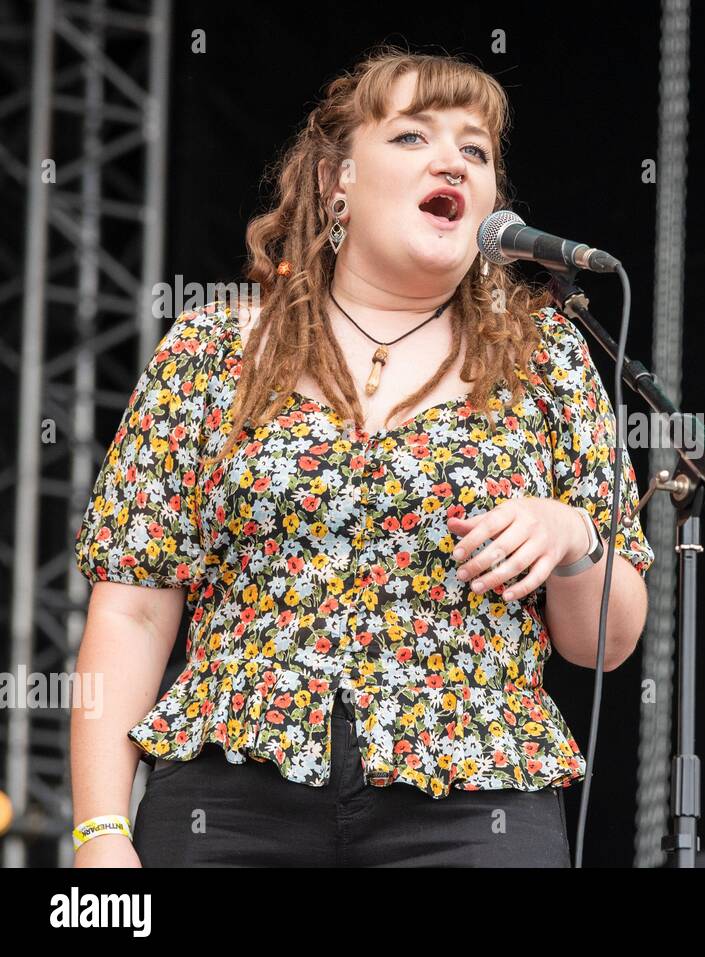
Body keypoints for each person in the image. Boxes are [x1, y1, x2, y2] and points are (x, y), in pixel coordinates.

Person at [69, 46, 654, 867]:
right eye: (413, 137)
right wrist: (98, 829)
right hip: (229, 800)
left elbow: (607, 641)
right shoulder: (210, 351)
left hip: (474, 801)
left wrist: (574, 537)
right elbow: (131, 610)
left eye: (476, 150)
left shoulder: (546, 360)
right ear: (332, 182)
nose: (452, 158)